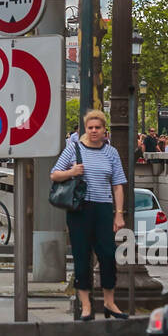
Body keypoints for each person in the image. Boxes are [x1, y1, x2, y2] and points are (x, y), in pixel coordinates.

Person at [50, 109, 128, 322]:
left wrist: (118, 214)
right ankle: (86, 305)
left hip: (103, 208)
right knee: (81, 256)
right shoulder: (74, 149)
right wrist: (71, 172)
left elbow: (118, 185)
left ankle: (109, 302)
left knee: (108, 255)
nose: (94, 131)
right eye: (90, 128)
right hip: (79, 209)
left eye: (98, 128)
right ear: (86, 129)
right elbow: (54, 174)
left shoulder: (111, 153)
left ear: (105, 130)